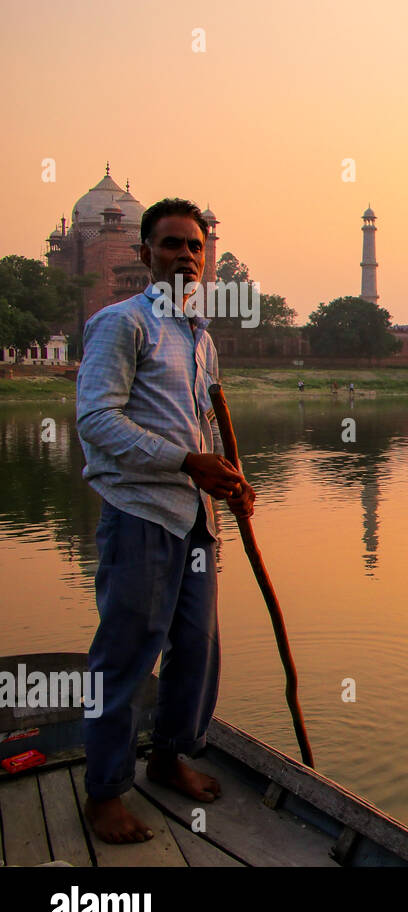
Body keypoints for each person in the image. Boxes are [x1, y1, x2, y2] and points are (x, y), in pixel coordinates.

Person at [75, 198, 255, 844]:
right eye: (172, 244)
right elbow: (96, 420)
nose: (185, 255)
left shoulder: (199, 338)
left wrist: (231, 480)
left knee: (196, 649)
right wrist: (185, 463)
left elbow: (204, 428)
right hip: (140, 513)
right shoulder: (122, 325)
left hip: (197, 518)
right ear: (143, 252)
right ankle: (104, 791)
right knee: (125, 657)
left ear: (206, 259)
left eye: (194, 246)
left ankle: (170, 754)